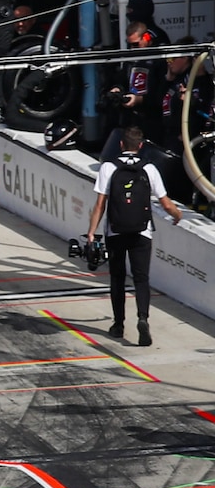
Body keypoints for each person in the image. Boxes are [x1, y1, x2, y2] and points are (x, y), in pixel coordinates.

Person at [84, 126, 186, 346]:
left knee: (117, 278)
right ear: (140, 146)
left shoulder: (108, 167)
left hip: (115, 231)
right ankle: (142, 318)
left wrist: (92, 232)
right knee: (141, 279)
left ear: (121, 144)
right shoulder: (149, 168)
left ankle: (118, 324)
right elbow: (166, 202)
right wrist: (177, 215)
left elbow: (100, 204)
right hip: (142, 232)